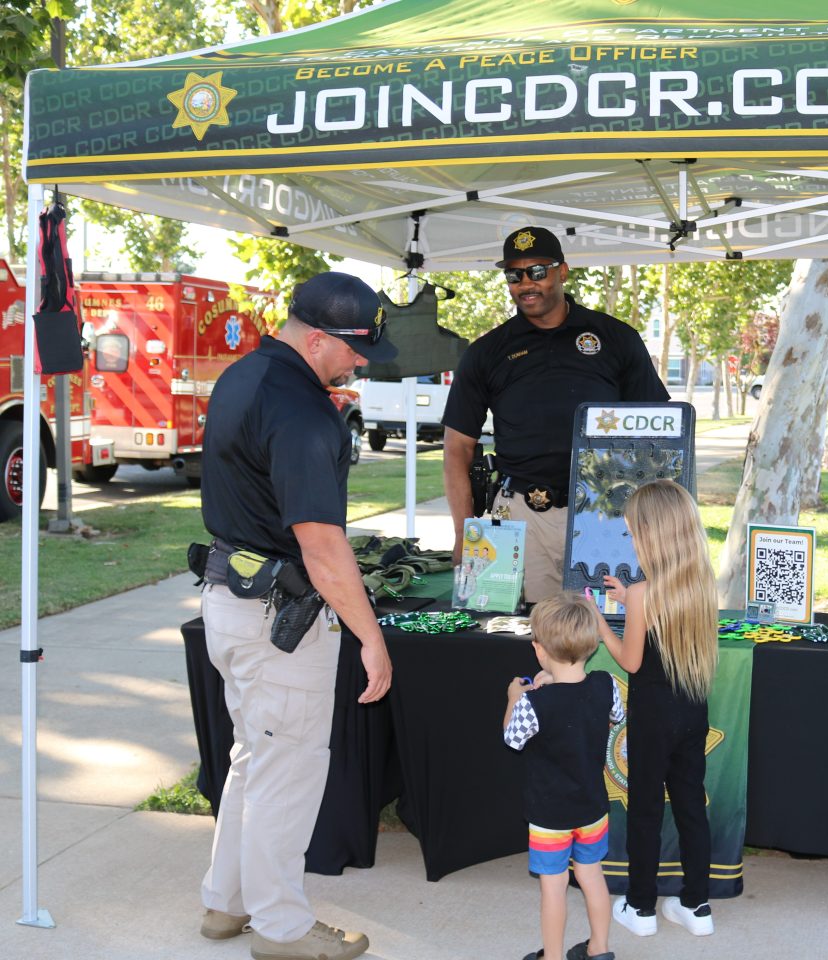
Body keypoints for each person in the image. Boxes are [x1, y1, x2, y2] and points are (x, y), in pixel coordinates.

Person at [197, 271, 396, 960]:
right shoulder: (303, 412)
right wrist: (372, 638)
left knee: (254, 760)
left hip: (230, 601)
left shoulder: (244, 376)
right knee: (286, 770)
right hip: (276, 620)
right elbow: (322, 543)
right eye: (354, 350)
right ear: (317, 339)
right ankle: (281, 928)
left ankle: (225, 904)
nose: (362, 364)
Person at [442, 225, 669, 603]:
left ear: (562, 272)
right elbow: (457, 449)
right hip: (524, 517)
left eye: (537, 271)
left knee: (611, 630)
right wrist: (464, 533)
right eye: (514, 275)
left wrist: (654, 523)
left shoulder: (615, 338)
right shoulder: (487, 352)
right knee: (534, 635)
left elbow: (660, 435)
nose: (525, 283)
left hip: (607, 517)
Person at [594, 479, 718, 940]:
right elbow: (664, 619)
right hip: (692, 713)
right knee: (691, 808)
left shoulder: (646, 592)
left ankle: (641, 907)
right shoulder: (700, 582)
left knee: (645, 810)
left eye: (632, 533)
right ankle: (696, 905)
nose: (632, 540)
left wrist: (604, 623)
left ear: (652, 534)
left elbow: (630, 661)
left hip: (651, 720)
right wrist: (631, 598)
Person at [504, 592, 625, 960]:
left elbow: (512, 738)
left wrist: (513, 697)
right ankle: (599, 949)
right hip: (591, 809)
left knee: (553, 888)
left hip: (549, 817)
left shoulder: (532, 703)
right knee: (592, 877)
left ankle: (553, 957)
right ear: (591, 645)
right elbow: (614, 717)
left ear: (539, 651)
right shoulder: (606, 684)